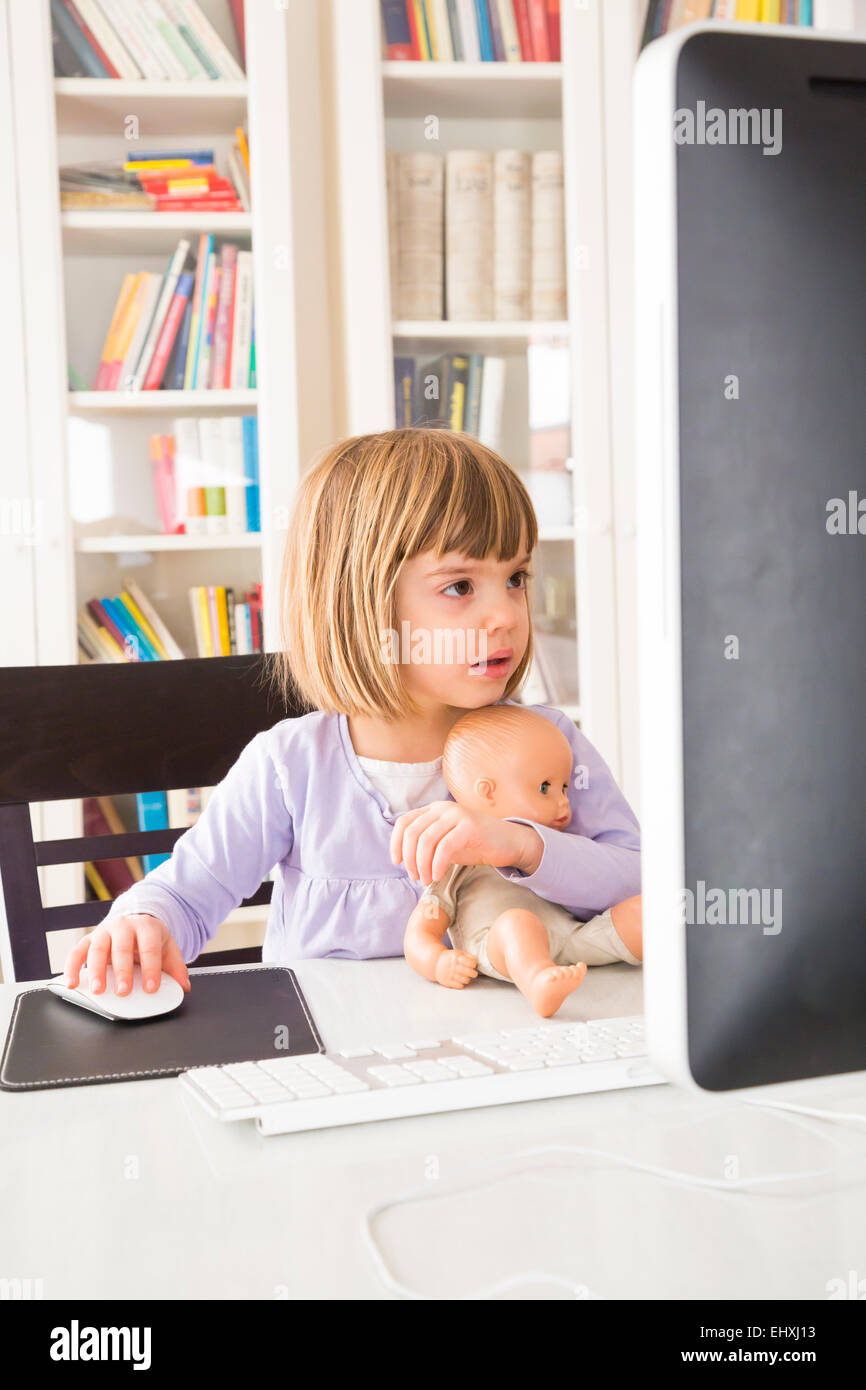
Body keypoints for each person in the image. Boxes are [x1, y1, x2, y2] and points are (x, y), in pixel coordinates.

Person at [63, 428, 641, 1000]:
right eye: (461, 585)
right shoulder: (290, 765)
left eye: (515, 578)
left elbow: (639, 883)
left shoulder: (549, 743)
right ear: (363, 603)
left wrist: (519, 844)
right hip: (331, 1062)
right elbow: (188, 895)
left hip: (510, 1052)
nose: (507, 615)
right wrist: (142, 921)